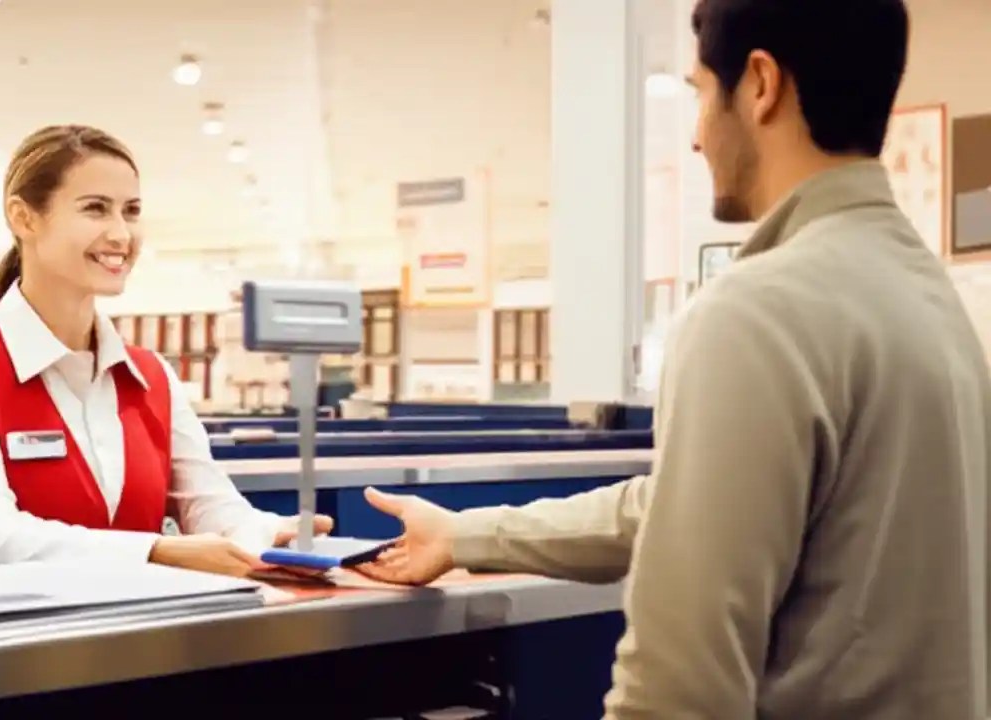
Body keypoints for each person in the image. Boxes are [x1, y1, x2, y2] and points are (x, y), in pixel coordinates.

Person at [361, 2, 991, 718]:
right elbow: (689, 510)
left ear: (759, 84)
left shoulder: (759, 313)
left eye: (698, 93)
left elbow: (677, 688)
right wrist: (465, 534)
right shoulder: (937, 306)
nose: (696, 138)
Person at [0, 125, 331, 577]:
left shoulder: (151, 376)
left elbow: (209, 505)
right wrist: (156, 551)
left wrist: (265, 537)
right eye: (95, 209)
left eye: (131, 211)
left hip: (128, 639)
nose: (121, 233)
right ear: (23, 217)